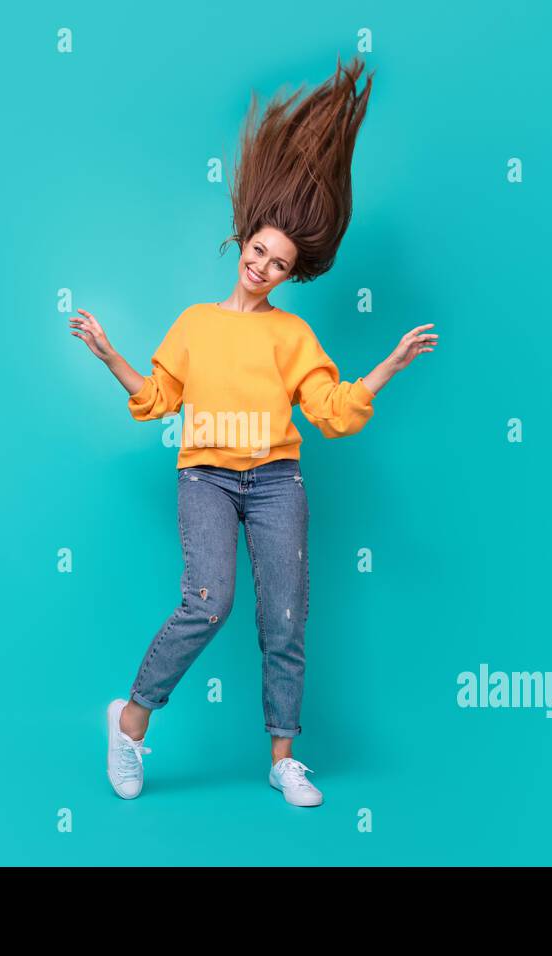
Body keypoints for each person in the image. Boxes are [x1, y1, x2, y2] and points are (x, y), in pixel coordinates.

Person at [69, 54, 436, 807]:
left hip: (275, 481)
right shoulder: (197, 324)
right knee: (208, 600)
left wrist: (388, 367)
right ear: (244, 239)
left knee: (286, 617)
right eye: (258, 251)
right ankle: (131, 723)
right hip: (204, 475)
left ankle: (283, 759)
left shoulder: (293, 336)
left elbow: (332, 412)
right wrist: (111, 356)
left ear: (292, 275)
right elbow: (159, 400)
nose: (263, 266)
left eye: (279, 264)